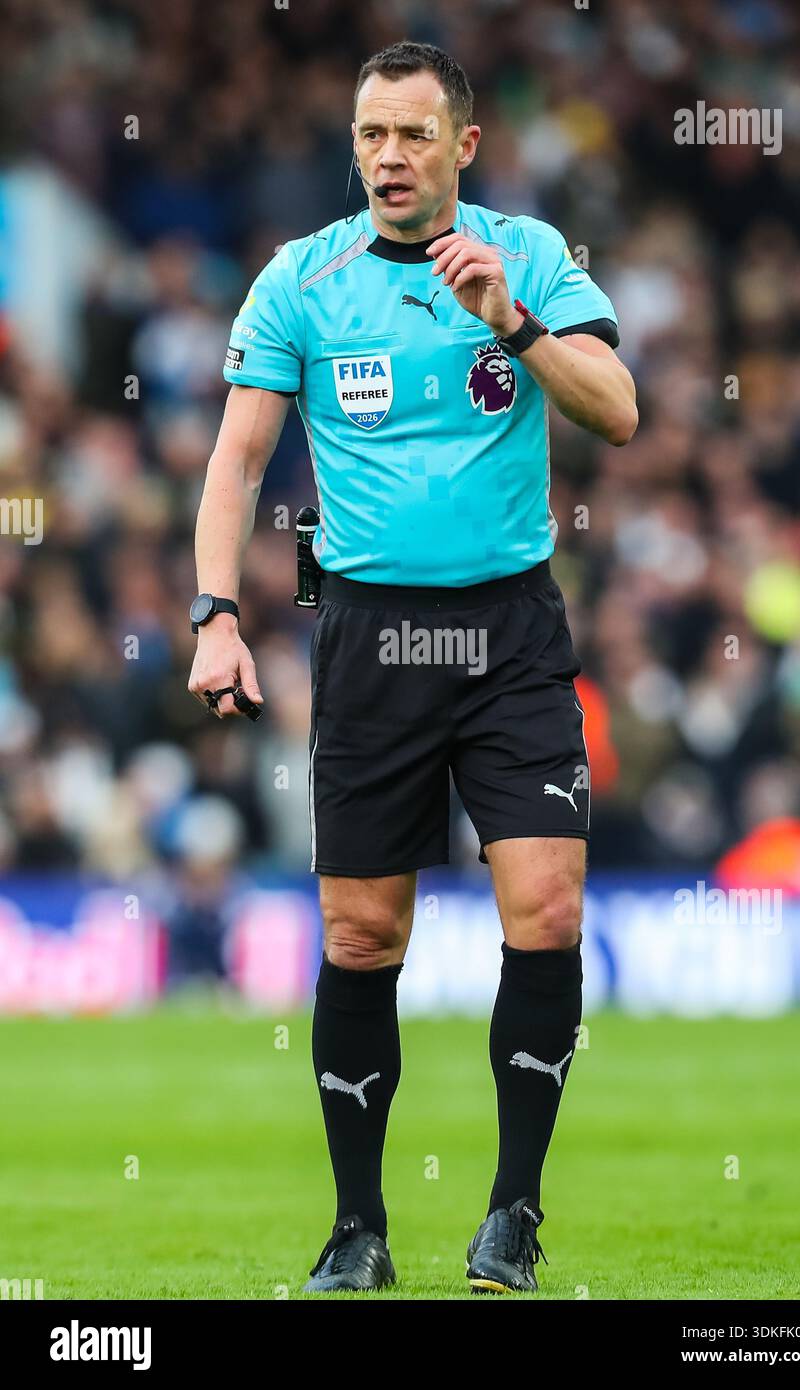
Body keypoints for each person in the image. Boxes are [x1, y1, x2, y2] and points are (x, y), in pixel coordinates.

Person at [188, 40, 637, 1295]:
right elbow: (233, 463)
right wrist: (213, 614)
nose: (389, 156)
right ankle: (357, 1230)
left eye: (413, 134)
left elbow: (617, 409)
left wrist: (515, 320)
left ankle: (511, 1216)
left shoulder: (531, 256)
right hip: (371, 638)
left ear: (464, 147)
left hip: (509, 632)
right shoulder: (301, 280)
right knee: (359, 931)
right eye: (371, 135)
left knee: (545, 911)